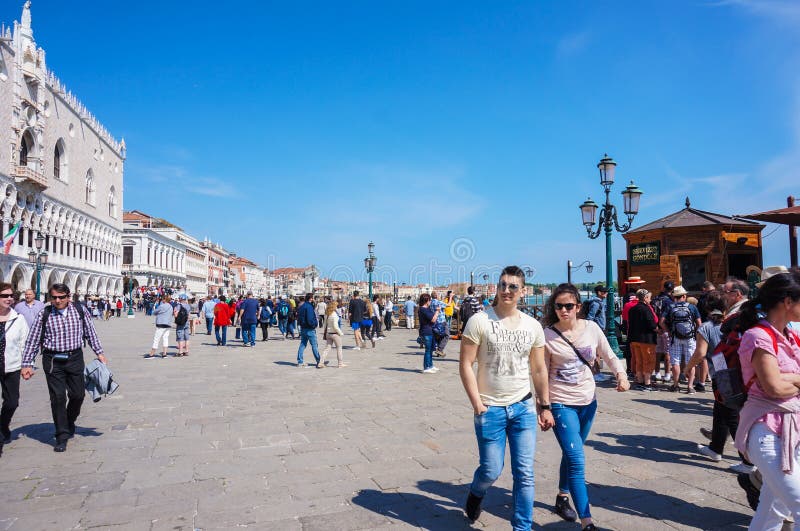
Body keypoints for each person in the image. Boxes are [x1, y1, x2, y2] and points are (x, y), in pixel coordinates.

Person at [459, 266, 553, 530]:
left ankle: (522, 527)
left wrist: (544, 406)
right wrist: (477, 403)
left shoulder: (533, 325)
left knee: (524, 473)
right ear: (497, 288)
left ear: (523, 291)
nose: (507, 290)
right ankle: (476, 493)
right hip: (490, 408)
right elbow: (465, 364)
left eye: (513, 286)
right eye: (503, 285)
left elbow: (538, 368)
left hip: (522, 406)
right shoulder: (480, 321)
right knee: (491, 469)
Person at [543, 283, 629, 530]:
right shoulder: (548, 335)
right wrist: (544, 406)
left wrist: (621, 375)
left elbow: (609, 353)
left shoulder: (591, 328)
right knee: (577, 459)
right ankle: (587, 521)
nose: (564, 310)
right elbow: (541, 373)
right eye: (559, 306)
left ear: (578, 307)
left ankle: (562, 496)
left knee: (572, 452)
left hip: (588, 402)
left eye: (569, 305)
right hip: (561, 403)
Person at [733, 268, 800, 529]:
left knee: (773, 508)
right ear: (787, 302)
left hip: (792, 431)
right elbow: (774, 388)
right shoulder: (758, 336)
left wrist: (790, 380)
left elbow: (782, 384)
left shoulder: (791, 337)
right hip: (767, 432)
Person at [20, 283, 107, 452]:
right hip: (52, 360)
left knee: (78, 395)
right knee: (58, 397)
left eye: (61, 297)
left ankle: (69, 421)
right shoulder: (44, 313)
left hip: (74, 357)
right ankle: (61, 435)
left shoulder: (80, 311)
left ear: (69, 296)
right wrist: (26, 364)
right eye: (54, 297)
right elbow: (32, 340)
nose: (57, 301)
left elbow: (90, 332)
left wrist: (99, 352)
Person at [0, 282, 30, 455]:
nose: (9, 299)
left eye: (11, 296)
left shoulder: (18, 318)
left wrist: (27, 365)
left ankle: (3, 425)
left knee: (12, 402)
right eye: (5, 296)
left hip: (11, 365)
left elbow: (24, 343)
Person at [661, 286, 702, 393]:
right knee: (691, 362)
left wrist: (668, 332)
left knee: (675, 362)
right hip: (690, 338)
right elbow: (699, 324)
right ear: (684, 296)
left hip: (675, 338)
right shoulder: (692, 307)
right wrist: (696, 334)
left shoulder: (670, 307)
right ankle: (690, 386)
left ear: (674, 296)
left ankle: (675, 385)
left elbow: (661, 322)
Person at [627, 289, 658, 391]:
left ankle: (640, 381)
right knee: (648, 361)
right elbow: (651, 324)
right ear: (645, 298)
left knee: (639, 361)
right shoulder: (646, 309)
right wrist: (659, 330)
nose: (650, 299)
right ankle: (647, 383)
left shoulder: (632, 309)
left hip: (634, 339)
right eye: (649, 297)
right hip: (646, 339)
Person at [653, 280, 675, 383]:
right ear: (672, 289)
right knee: (667, 352)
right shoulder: (670, 301)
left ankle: (657, 372)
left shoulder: (656, 299)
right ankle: (667, 374)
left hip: (657, 329)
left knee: (658, 352)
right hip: (666, 328)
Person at [296, 293, 321, 368]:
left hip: (303, 328)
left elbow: (299, 318)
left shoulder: (301, 306)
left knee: (303, 344)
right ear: (310, 298)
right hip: (309, 328)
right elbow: (310, 319)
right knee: (314, 345)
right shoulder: (309, 307)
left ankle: (300, 361)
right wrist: (314, 324)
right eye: (312, 298)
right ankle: (318, 361)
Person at [417, 294, 439, 374]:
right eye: (429, 300)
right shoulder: (423, 309)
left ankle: (430, 365)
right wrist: (437, 311)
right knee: (428, 350)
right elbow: (433, 319)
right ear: (426, 301)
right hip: (426, 331)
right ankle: (426, 367)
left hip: (430, 330)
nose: (430, 302)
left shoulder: (426, 309)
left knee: (431, 350)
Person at [322, 301, 345, 367]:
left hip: (328, 333)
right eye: (336, 306)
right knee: (339, 348)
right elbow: (335, 326)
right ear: (334, 306)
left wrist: (325, 332)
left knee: (327, 349)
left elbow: (325, 324)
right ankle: (340, 363)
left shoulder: (327, 314)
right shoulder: (334, 314)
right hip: (335, 334)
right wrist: (340, 333)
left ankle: (321, 362)